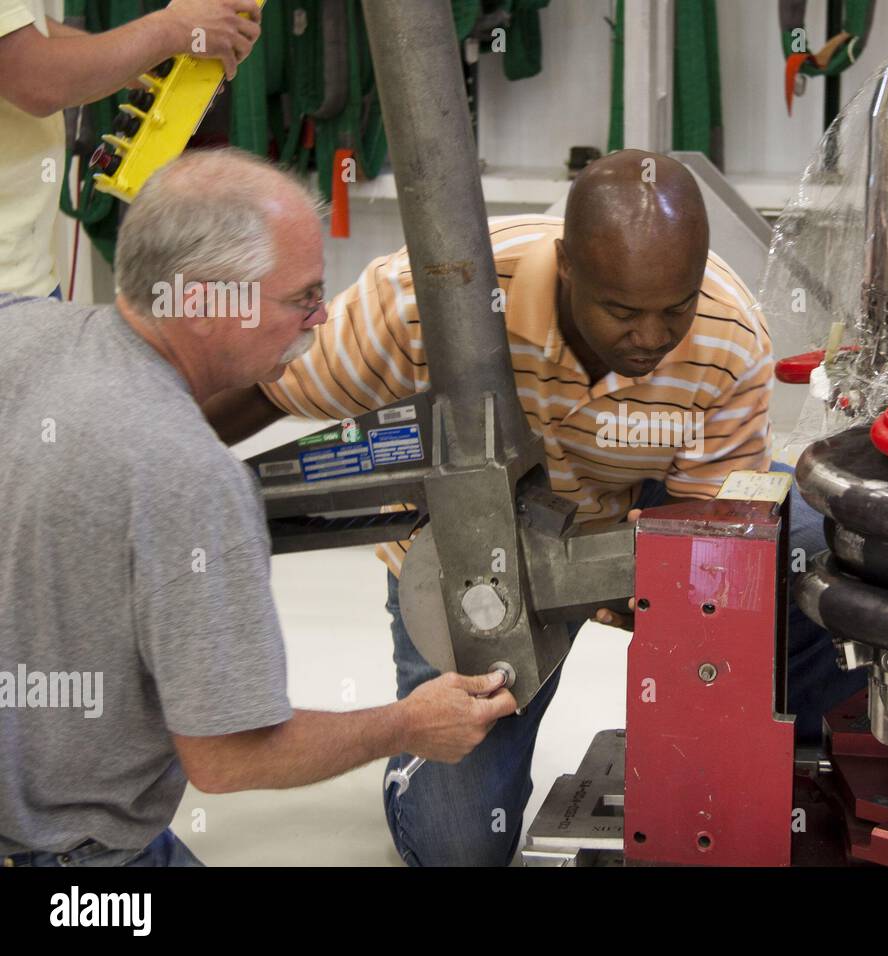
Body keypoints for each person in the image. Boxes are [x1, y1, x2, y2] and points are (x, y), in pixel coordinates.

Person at [203, 149, 868, 866]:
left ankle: (789, 752)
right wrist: (144, 462)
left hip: (630, 504)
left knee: (822, 542)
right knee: (458, 847)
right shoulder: (419, 304)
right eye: (622, 312)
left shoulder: (725, 333)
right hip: (465, 554)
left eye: (672, 309)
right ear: (569, 267)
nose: (650, 338)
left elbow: (709, 525)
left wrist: (657, 604)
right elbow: (263, 391)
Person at [0, 148, 514, 868]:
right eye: (301, 297)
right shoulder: (190, 475)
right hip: (69, 862)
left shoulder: (16, 329)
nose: (322, 315)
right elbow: (228, 756)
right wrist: (406, 724)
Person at [0, 0, 262, 297]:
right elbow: (37, 78)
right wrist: (173, 28)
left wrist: (136, 55)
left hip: (27, 270)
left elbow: (25, 31)